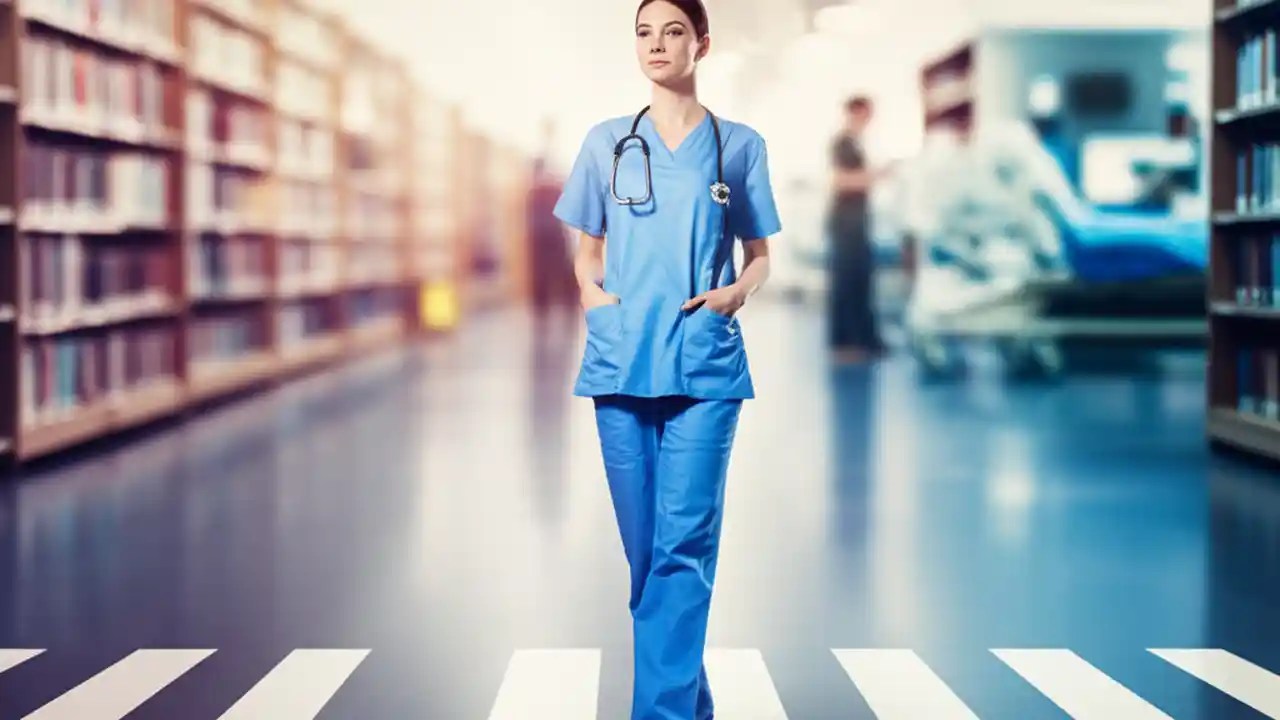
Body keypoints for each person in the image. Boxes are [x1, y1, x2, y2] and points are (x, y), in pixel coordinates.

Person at [552, 1, 781, 717]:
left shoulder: (736, 146)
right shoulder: (605, 142)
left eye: (673, 31)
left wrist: (736, 295)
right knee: (649, 559)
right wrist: (595, 300)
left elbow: (761, 256)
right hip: (621, 364)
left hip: (704, 367)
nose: (657, 45)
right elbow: (586, 254)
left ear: (701, 45)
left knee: (683, 550)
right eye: (644, 33)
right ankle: (692, 703)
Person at [828, 95, 890, 362]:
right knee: (847, 280)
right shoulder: (843, 143)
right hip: (846, 220)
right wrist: (877, 175)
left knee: (862, 279)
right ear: (854, 113)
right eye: (865, 114)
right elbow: (842, 181)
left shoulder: (856, 144)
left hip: (857, 217)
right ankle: (844, 344)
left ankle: (866, 340)